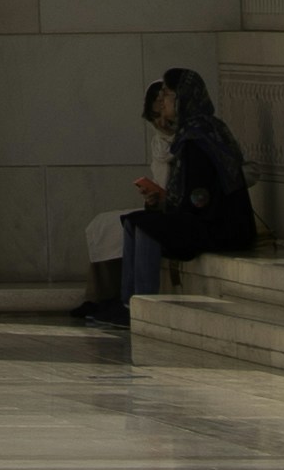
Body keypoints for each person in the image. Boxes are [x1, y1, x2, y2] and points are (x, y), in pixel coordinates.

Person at [77, 68, 259, 322]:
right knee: (133, 222)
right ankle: (128, 302)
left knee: (147, 226)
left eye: (168, 95)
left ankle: (142, 304)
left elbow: (200, 198)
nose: (163, 101)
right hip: (208, 219)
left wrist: (171, 209)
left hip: (221, 226)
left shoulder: (200, 136)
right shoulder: (193, 132)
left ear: (184, 97)